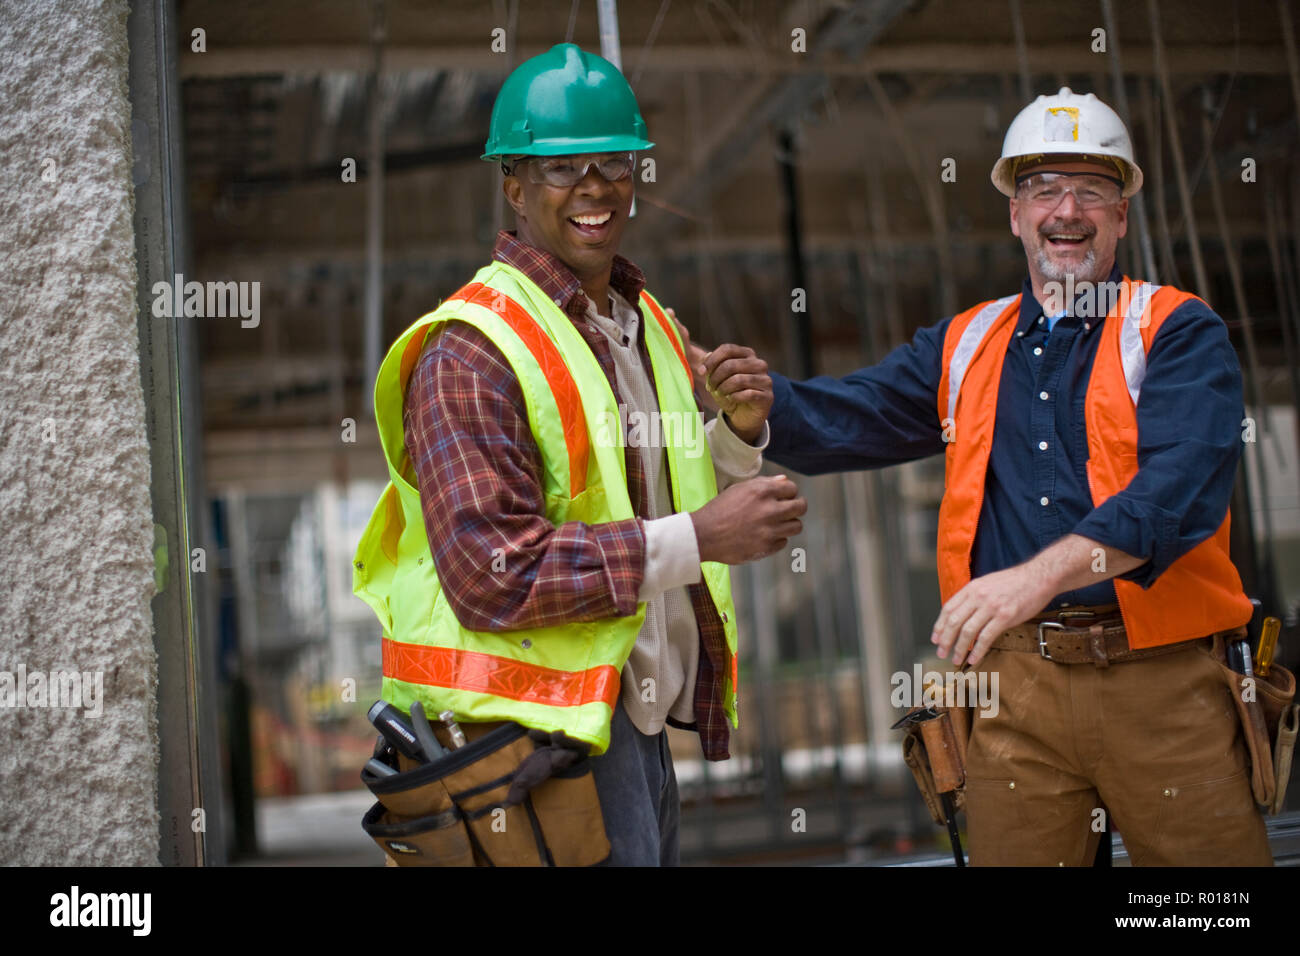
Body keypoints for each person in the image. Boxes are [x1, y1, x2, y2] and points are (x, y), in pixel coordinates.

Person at [745, 88, 1270, 865]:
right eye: (1044, 189)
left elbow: (1175, 497)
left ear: (1122, 215)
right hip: (1011, 690)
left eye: (1092, 190)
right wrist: (752, 408)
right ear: (1016, 212)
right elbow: (847, 417)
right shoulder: (965, 343)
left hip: (1164, 683)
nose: (1068, 210)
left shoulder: (1175, 330)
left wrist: (1034, 579)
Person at [352, 42, 800, 866]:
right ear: (514, 187)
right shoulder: (471, 350)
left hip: (628, 716)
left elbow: (658, 493)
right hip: (530, 739)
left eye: (615, 162)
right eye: (561, 170)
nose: (594, 187)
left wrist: (733, 434)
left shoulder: (646, 321)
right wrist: (703, 539)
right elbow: (493, 572)